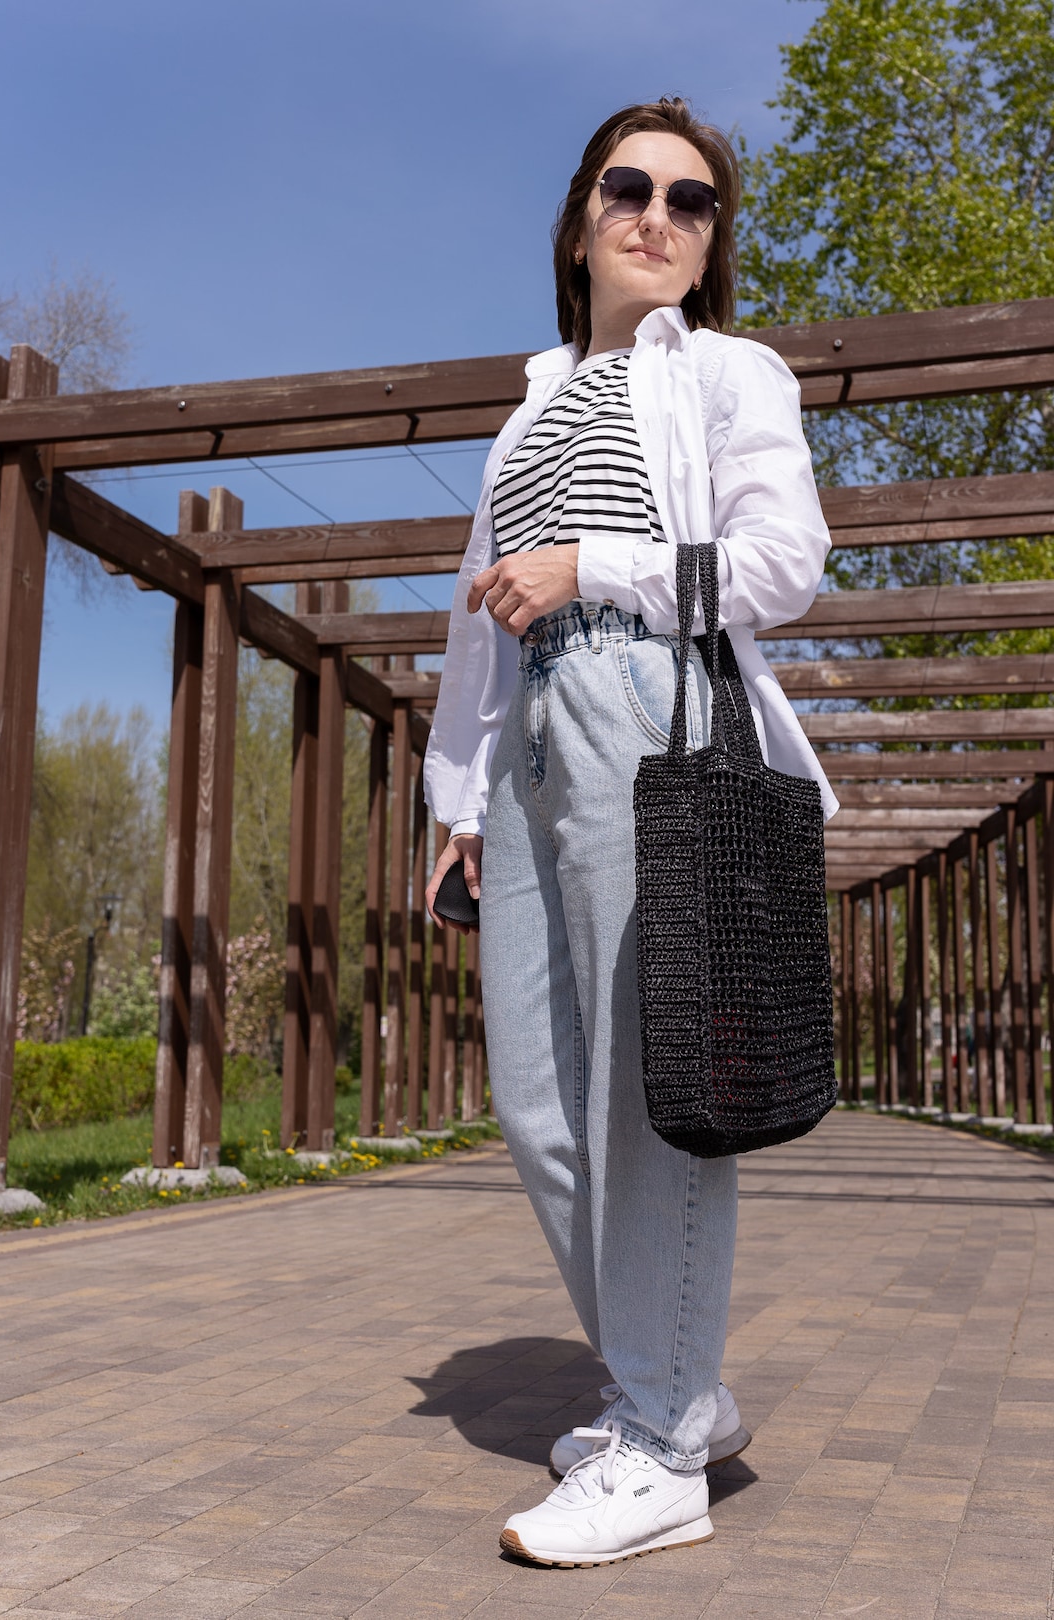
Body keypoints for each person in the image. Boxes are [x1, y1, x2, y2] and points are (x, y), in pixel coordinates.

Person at [423, 97, 835, 1568]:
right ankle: (685, 1392)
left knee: (641, 1088)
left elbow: (785, 564)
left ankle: (656, 1438)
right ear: (583, 216)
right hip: (531, 741)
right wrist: (460, 802)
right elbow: (478, 626)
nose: (657, 214)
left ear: (712, 240)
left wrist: (590, 560)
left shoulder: (727, 372)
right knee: (538, 1106)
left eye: (692, 200)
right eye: (628, 186)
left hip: (645, 710)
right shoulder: (529, 407)